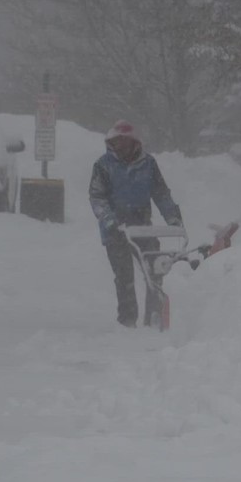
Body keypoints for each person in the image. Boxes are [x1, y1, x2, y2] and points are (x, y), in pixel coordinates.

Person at [89, 120, 183, 327]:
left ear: (135, 143)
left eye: (125, 142)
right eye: (117, 142)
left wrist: (173, 217)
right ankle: (128, 321)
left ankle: (154, 316)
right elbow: (97, 198)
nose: (121, 146)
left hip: (142, 225)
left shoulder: (148, 164)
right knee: (125, 276)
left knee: (154, 269)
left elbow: (161, 193)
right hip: (115, 229)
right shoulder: (103, 166)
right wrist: (110, 220)